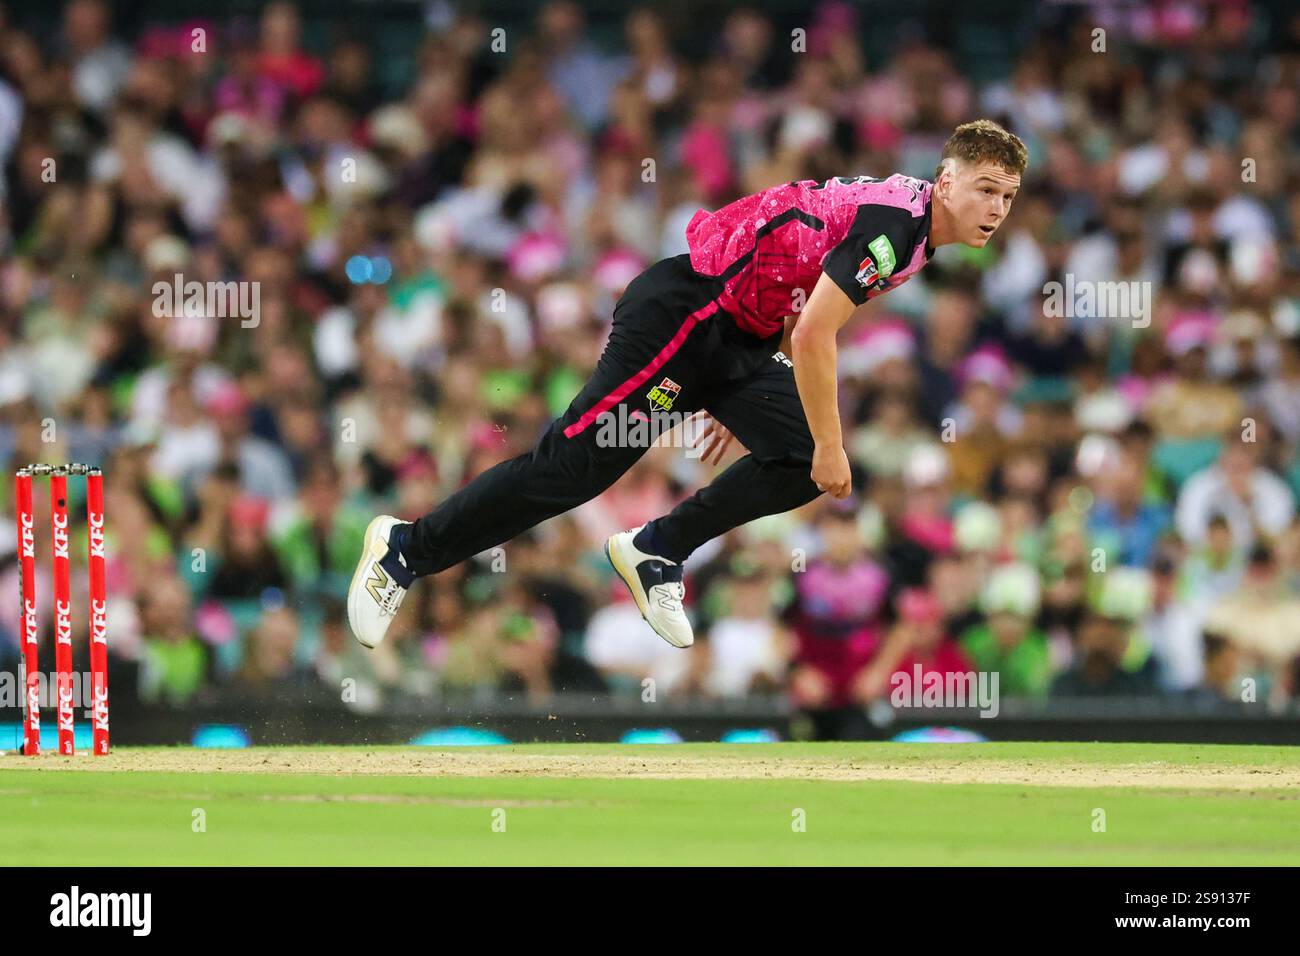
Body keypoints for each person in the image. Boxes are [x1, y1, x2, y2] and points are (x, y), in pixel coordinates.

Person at [348, 119, 1028, 650]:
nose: (996, 208)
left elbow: (800, 291)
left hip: (739, 336)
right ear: (945, 179)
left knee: (802, 463)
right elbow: (820, 333)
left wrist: (752, 389)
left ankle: (655, 550)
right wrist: (830, 438)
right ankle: (404, 551)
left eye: (1007, 196)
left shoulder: (912, 234)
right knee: (574, 469)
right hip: (686, 314)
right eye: (985, 188)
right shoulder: (896, 228)